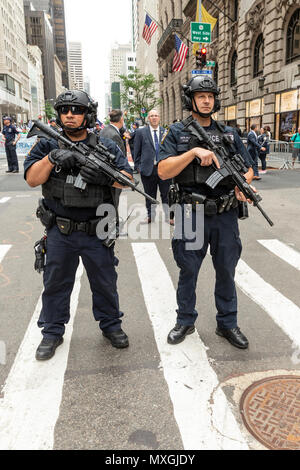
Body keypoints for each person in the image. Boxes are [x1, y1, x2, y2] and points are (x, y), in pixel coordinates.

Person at [24, 90, 133, 360]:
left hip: (97, 230)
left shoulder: (105, 145)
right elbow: (31, 179)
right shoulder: (47, 143)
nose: (70, 115)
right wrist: (52, 159)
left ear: (87, 115)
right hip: (60, 230)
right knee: (56, 284)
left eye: (77, 110)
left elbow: (128, 178)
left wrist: (105, 177)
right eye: (65, 111)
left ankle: (111, 325)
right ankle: (52, 332)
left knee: (105, 282)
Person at [158, 76, 254, 349]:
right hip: (191, 214)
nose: (206, 100)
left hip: (225, 214)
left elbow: (248, 169)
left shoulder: (229, 134)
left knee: (226, 270)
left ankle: (228, 323)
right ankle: (185, 320)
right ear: (191, 100)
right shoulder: (177, 133)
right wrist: (192, 153)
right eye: (200, 96)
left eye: (210, 96)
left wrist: (242, 185)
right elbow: (163, 170)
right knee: (188, 271)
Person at [134, 109, 174, 225]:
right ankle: (150, 216)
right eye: (152, 116)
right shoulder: (141, 133)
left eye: (156, 115)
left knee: (166, 194)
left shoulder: (165, 132)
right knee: (149, 195)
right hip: (147, 170)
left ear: (159, 118)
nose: (154, 118)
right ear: (148, 118)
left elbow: (170, 150)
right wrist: (138, 167)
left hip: (164, 169)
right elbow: (137, 151)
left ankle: (169, 216)